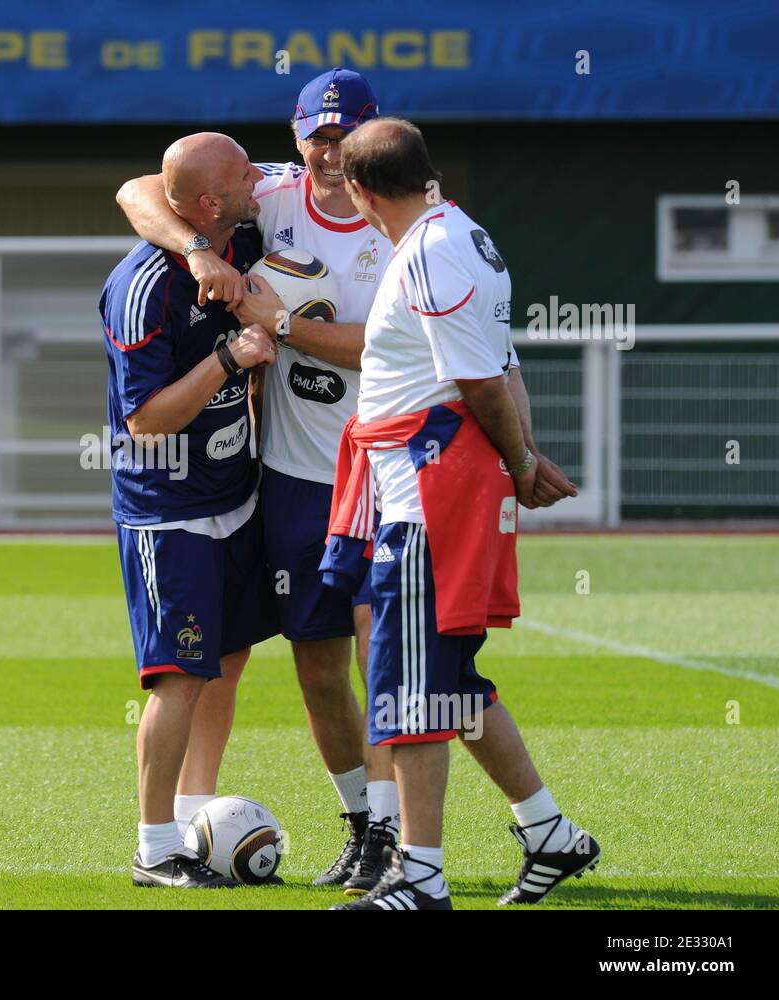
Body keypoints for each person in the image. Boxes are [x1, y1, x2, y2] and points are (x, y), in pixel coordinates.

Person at [116, 69, 398, 891]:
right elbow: (142, 189)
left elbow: (386, 351)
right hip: (289, 479)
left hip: (383, 467)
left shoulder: (417, 223)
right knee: (315, 668)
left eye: (347, 134)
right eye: (319, 133)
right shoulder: (268, 194)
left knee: (386, 662)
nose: (331, 150)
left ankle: (398, 833)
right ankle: (359, 823)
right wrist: (198, 247)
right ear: (298, 133)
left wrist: (278, 327)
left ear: (376, 134)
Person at [323, 117, 600, 910]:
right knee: (448, 683)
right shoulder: (461, 235)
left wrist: (519, 465)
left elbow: (480, 382)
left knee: (413, 695)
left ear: (362, 190)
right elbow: (501, 364)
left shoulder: (433, 251)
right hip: (422, 487)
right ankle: (549, 834)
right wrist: (524, 457)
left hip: (428, 495)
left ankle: (421, 884)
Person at [100, 132, 281, 887]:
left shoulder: (237, 232)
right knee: (177, 675)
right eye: (245, 176)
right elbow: (145, 423)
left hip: (236, 495)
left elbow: (142, 186)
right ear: (210, 202)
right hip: (169, 511)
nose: (260, 183)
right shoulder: (144, 287)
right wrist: (231, 359)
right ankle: (154, 848)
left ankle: (195, 816)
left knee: (225, 662)